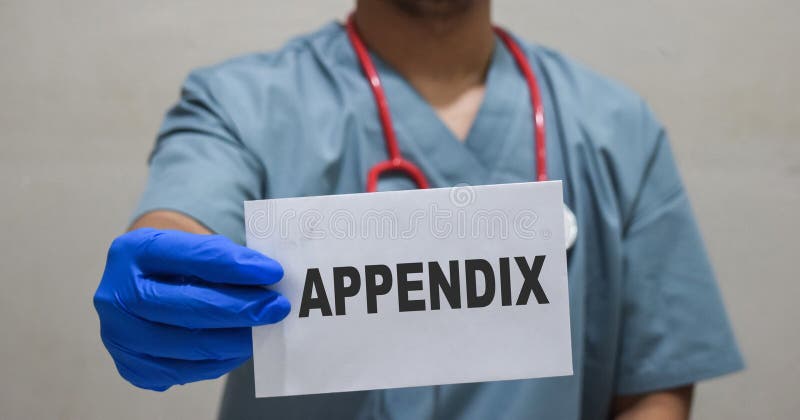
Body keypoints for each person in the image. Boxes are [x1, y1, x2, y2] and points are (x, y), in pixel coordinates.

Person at [93, 0, 744, 418]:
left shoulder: (615, 126)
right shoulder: (241, 104)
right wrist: (162, 275)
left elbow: (655, 383)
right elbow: (183, 214)